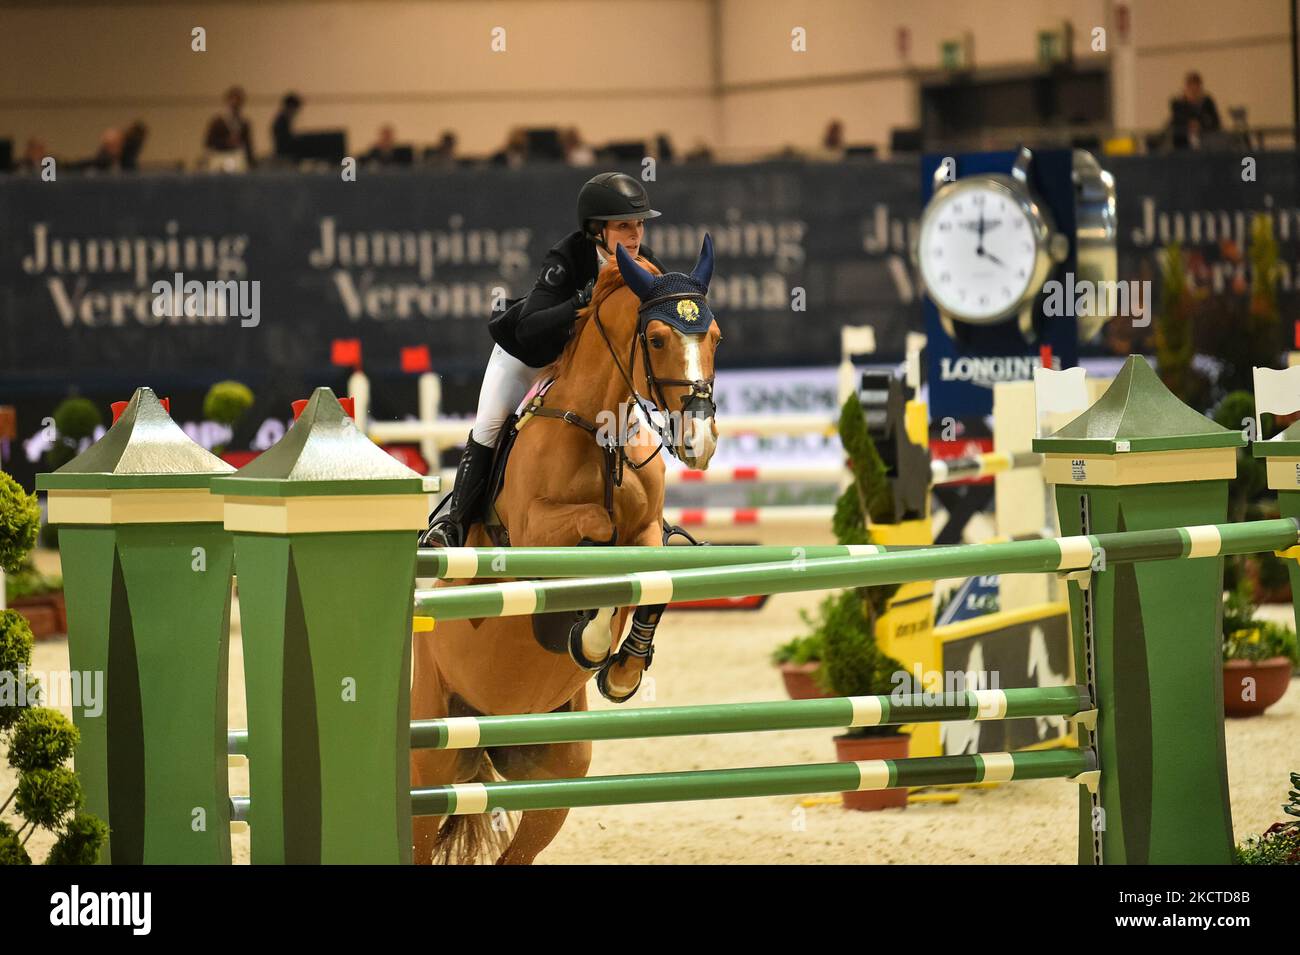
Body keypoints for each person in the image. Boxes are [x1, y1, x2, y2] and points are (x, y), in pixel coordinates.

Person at [421, 172, 666, 548]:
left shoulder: (643, 265)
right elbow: (529, 327)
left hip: (583, 370)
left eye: (639, 226)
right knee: (489, 426)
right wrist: (579, 302)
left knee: (627, 428)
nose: (635, 236)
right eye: (624, 226)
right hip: (530, 355)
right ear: (596, 230)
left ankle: (649, 521)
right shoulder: (566, 257)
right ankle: (454, 526)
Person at [204, 85, 255, 170]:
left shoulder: (244, 123)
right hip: (220, 156)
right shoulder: (217, 122)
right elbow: (209, 142)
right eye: (233, 100)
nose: (235, 104)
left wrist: (251, 162)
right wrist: (226, 142)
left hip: (237, 157)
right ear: (227, 101)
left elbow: (248, 145)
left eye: (238, 101)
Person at [1169, 71, 1221, 148]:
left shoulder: (1207, 102)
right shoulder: (1177, 104)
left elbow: (1216, 121)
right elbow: (1176, 121)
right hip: (1182, 143)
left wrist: (1201, 124)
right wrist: (1189, 124)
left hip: (1205, 141)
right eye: (1191, 87)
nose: (1194, 90)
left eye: (1196, 87)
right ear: (1186, 87)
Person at [272, 93, 302, 158]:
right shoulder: (282, 121)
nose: (295, 113)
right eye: (295, 109)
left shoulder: (283, 120)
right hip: (284, 154)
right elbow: (284, 141)